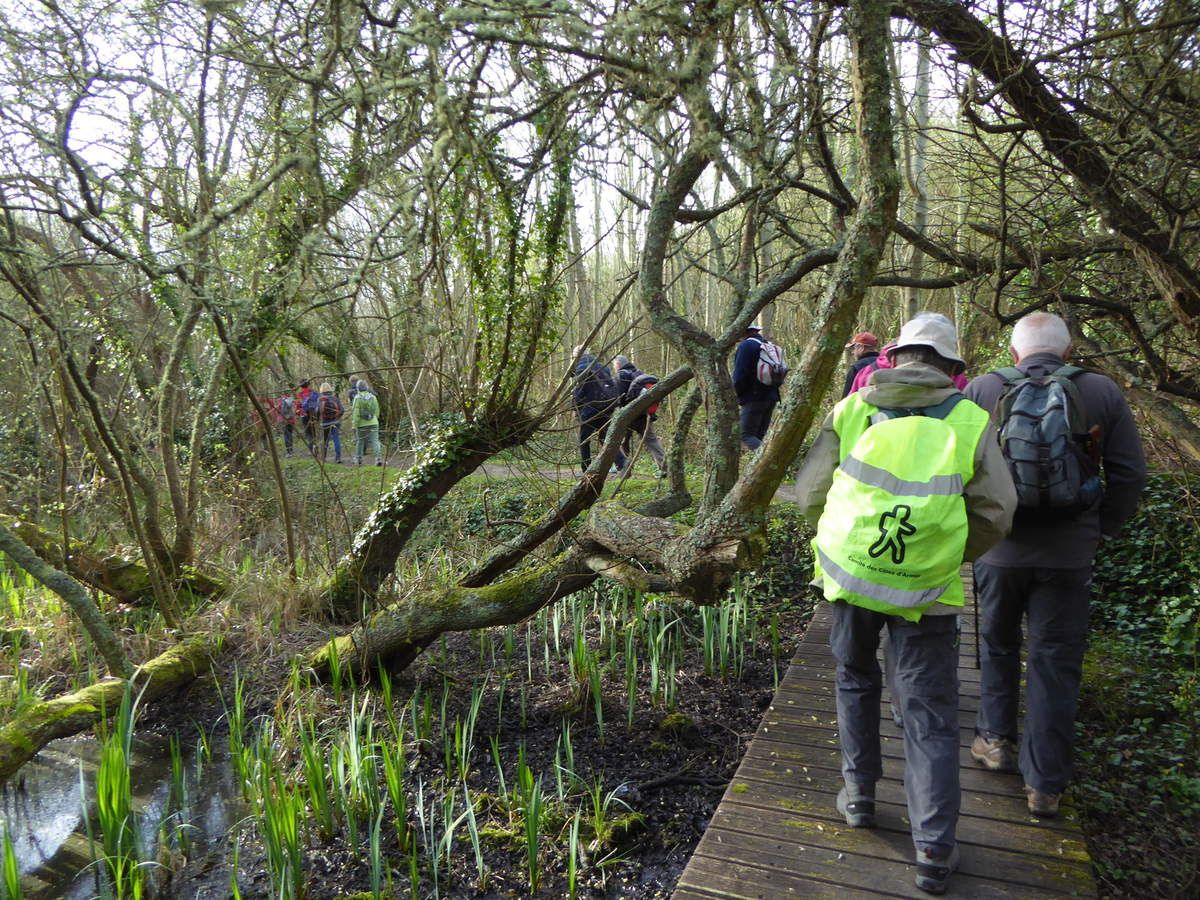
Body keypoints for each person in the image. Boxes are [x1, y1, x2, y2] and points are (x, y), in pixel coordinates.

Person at [794, 311, 1016, 895]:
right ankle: (934, 849)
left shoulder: (854, 407)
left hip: (852, 578)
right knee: (930, 716)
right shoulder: (972, 419)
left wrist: (847, 542)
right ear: (953, 368)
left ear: (895, 356)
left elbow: (809, 493)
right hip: (931, 593)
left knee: (855, 680)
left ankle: (860, 797)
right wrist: (942, 554)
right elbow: (996, 512)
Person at [964, 311, 1146, 817]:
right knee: (1055, 661)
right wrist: (1101, 529)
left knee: (998, 644)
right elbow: (1130, 474)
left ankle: (994, 742)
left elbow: (960, 471)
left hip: (998, 552)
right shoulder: (1102, 392)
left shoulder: (982, 389)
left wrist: (976, 532)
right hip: (1069, 555)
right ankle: (1044, 784)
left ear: (1014, 353)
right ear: (1068, 353)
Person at [572, 348, 627, 473]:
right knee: (605, 437)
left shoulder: (581, 368)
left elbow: (579, 392)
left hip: (590, 408)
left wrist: (575, 407)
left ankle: (586, 469)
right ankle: (622, 461)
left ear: (577, 356)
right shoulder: (602, 366)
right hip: (606, 407)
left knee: (584, 440)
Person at [613, 355, 668, 478]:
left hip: (628, 414)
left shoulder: (622, 375)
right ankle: (666, 468)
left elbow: (619, 396)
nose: (614, 368)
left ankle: (625, 471)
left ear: (618, 365)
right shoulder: (639, 373)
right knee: (652, 441)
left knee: (621, 441)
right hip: (644, 414)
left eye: (615, 365)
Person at [732, 323, 780, 449]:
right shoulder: (768, 344)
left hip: (754, 398)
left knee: (745, 436)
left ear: (744, 331)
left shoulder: (746, 346)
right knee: (758, 437)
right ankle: (766, 465)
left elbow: (740, 376)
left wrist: (734, 395)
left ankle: (773, 462)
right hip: (771, 397)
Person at [306, 382, 344, 463]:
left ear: (321, 390)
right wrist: (337, 417)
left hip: (324, 423)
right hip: (335, 422)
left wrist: (317, 419)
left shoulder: (320, 399)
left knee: (325, 441)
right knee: (336, 439)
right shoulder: (335, 398)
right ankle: (338, 458)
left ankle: (324, 458)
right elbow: (342, 410)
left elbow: (317, 411)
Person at [352, 379, 383, 466]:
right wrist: (374, 419)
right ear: (366, 387)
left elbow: (356, 413)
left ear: (358, 388)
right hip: (373, 423)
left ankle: (358, 459)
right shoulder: (373, 397)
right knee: (375, 441)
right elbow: (377, 411)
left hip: (361, 424)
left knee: (360, 441)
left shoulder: (357, 398)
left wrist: (354, 425)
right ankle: (378, 459)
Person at [842, 331, 880, 397]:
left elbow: (846, 397)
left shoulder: (856, 367)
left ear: (861, 347)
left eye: (854, 348)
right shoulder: (885, 363)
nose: (852, 352)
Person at [296, 380, 316, 453]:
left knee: (308, 432)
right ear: (308, 384)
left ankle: (311, 447)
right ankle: (314, 445)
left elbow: (298, 405)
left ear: (300, 386)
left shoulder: (300, 394)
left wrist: (298, 413)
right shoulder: (312, 392)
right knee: (313, 430)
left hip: (304, 415)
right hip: (313, 414)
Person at [277, 390, 297, 456]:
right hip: (291, 420)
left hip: (284, 420)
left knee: (286, 435)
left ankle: (289, 452)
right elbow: (295, 410)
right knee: (290, 435)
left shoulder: (280, 400)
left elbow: (278, 410)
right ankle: (291, 450)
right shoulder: (291, 400)